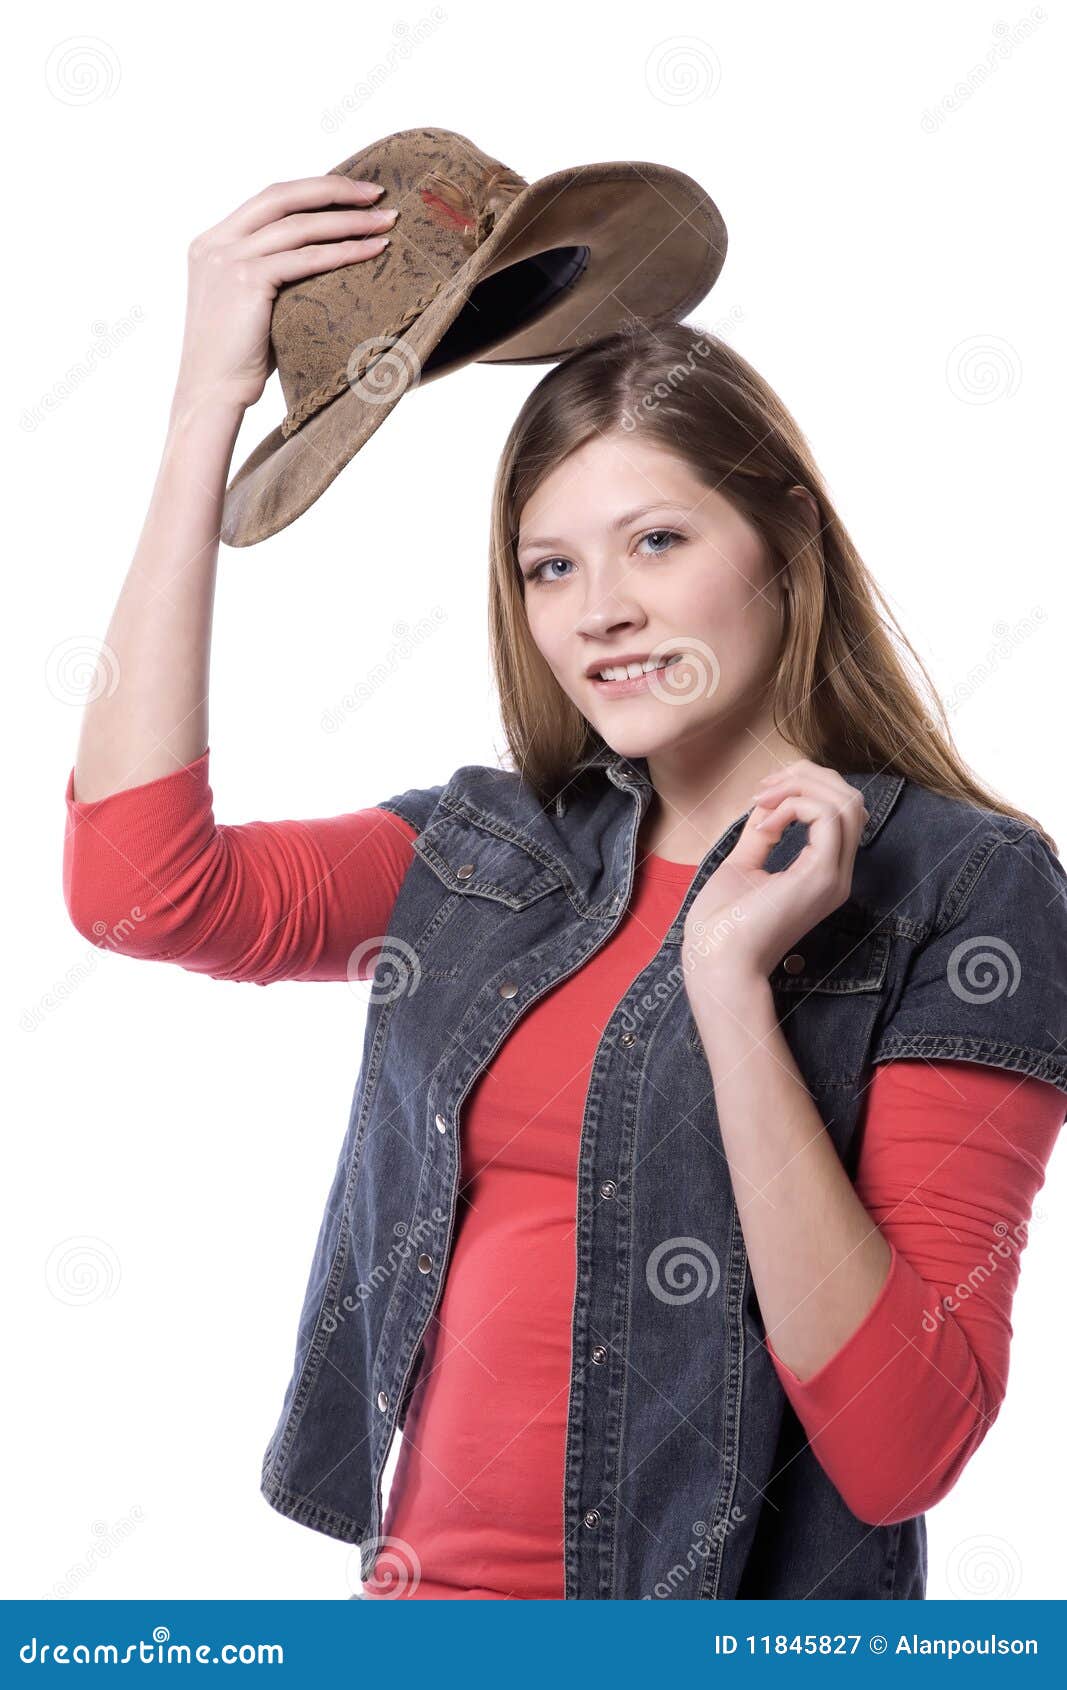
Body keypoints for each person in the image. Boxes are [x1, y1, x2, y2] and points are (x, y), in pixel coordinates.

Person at [62, 174, 1067, 1601]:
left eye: (657, 540)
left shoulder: (963, 888)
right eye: (550, 566)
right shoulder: (487, 855)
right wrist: (203, 416)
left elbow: (903, 1443)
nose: (599, 612)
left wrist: (730, 989)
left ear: (784, 541)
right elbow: (137, 892)